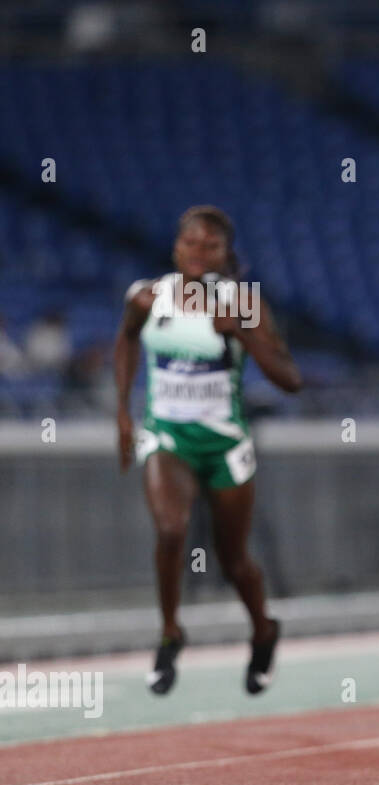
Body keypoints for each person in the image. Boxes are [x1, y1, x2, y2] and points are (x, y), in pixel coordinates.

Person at [114, 206, 302, 695]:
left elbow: (290, 380)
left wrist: (239, 331)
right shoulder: (146, 297)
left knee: (232, 558)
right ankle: (170, 633)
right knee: (171, 529)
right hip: (167, 436)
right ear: (176, 247)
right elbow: (127, 340)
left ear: (225, 254)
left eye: (210, 245)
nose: (198, 252)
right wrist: (122, 412)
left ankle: (263, 630)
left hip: (224, 443)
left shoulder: (243, 303)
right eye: (190, 243)